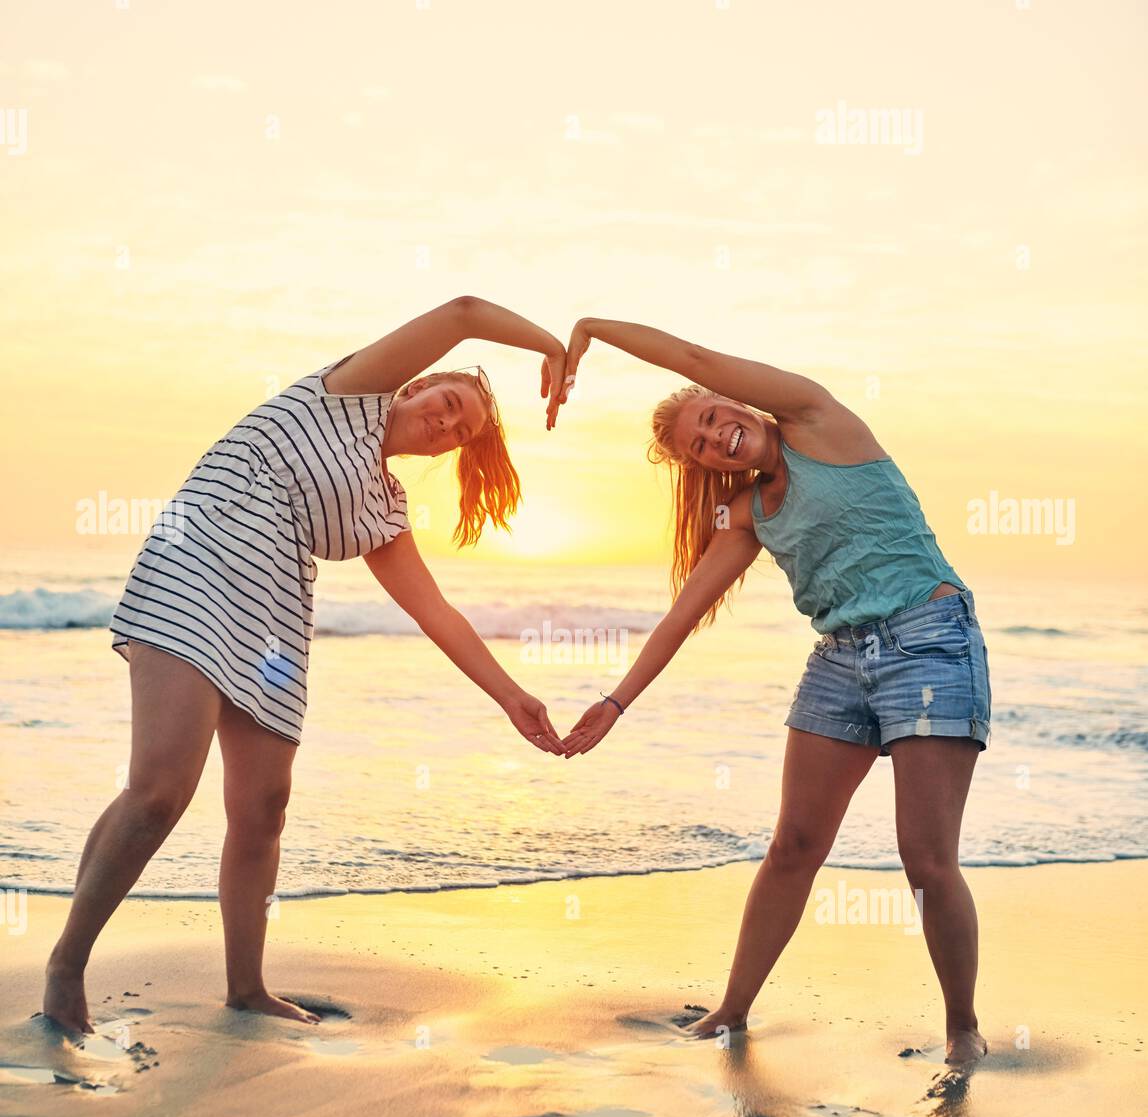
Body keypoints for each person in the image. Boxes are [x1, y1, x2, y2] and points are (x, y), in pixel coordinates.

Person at [44, 297, 568, 1033]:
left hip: (275, 629)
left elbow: (435, 612)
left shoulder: (383, 507)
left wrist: (511, 695)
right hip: (194, 573)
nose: (448, 426)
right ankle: (67, 967)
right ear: (415, 385)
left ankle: (247, 988)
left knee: (263, 809)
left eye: (463, 432)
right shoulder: (345, 394)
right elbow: (464, 311)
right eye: (448, 403)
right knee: (161, 790)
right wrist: (551, 346)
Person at [559, 316, 992, 1065]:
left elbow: (694, 356)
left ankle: (962, 1029)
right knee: (792, 846)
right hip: (838, 658)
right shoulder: (752, 514)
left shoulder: (816, 420)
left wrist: (594, 329)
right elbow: (681, 615)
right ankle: (730, 1011)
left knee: (925, 858)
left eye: (712, 415)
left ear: (735, 403)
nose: (715, 433)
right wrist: (615, 702)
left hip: (929, 638)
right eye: (699, 442)